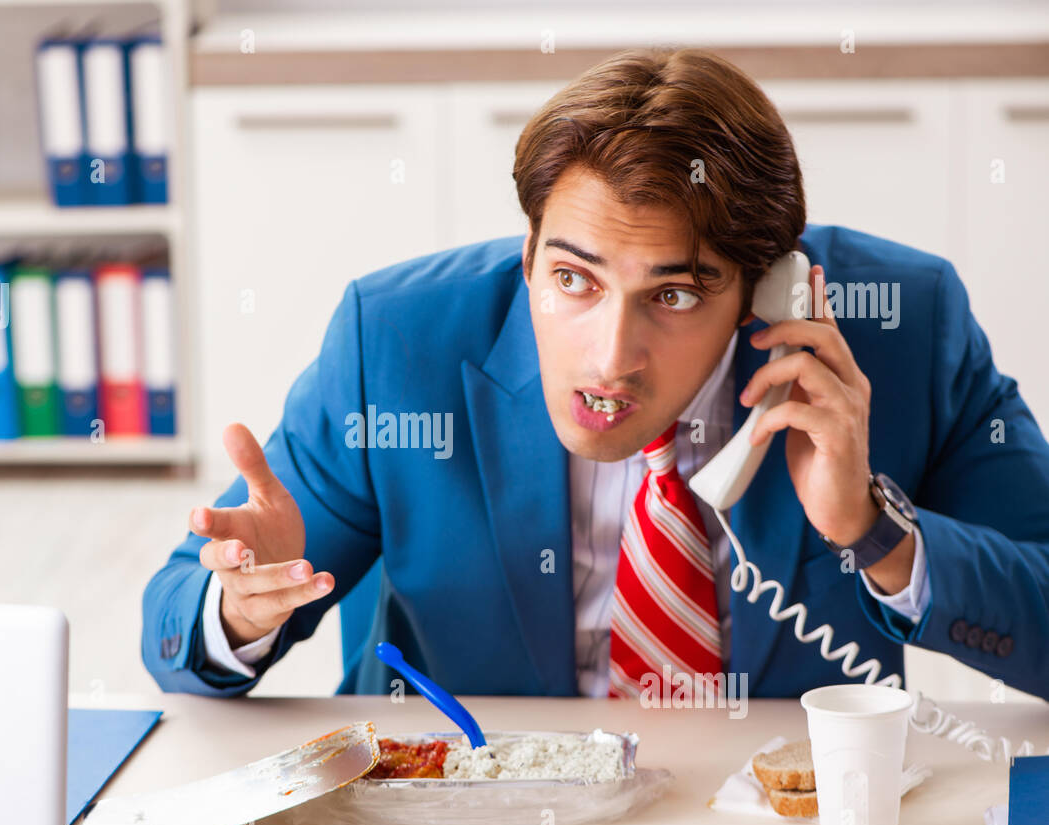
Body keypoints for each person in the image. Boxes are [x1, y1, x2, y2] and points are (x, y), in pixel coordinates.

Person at [142, 49, 1049, 701]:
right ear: (528, 254)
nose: (611, 356)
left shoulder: (906, 329)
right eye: (573, 280)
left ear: (768, 287)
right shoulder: (396, 346)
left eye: (676, 295)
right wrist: (238, 604)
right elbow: (170, 629)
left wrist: (873, 530)